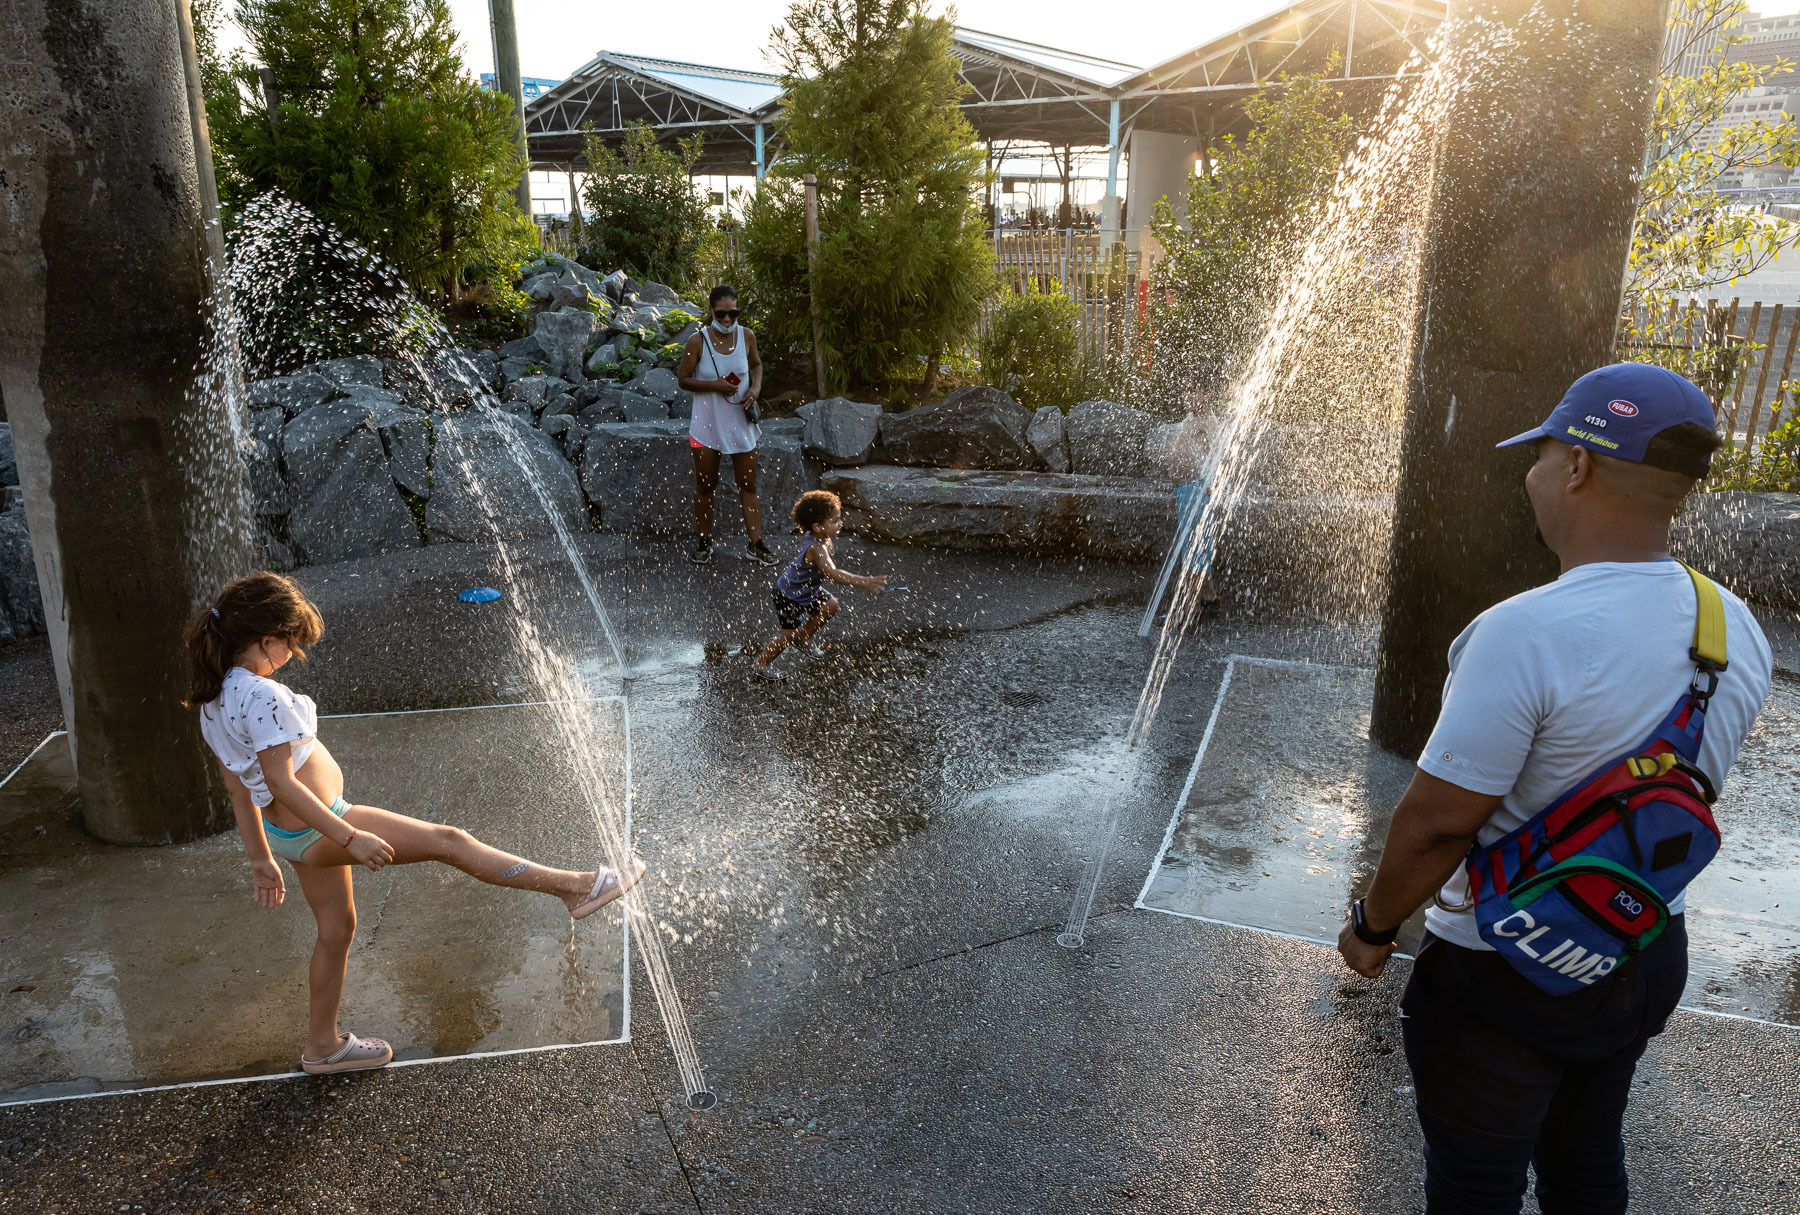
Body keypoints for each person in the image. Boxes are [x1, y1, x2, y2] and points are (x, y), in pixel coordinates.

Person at [1337, 363, 1772, 1215]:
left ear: (1576, 465)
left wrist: (1373, 926)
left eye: (1539, 455)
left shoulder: (1523, 632)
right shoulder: (1733, 625)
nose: (1530, 475)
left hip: (1505, 969)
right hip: (1642, 947)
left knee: (1476, 1185)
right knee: (1585, 1159)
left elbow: (1434, 825)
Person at [185, 572, 646, 1076]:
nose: (293, 656)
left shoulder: (217, 697)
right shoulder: (261, 696)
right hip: (322, 827)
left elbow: (238, 788)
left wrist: (261, 859)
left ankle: (322, 1046)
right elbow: (282, 781)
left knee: (336, 930)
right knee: (449, 841)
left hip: (288, 835)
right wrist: (349, 836)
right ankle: (574, 888)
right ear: (266, 639)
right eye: (289, 644)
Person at [678, 284, 772, 567]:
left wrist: (755, 388)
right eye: (721, 314)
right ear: (711, 311)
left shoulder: (747, 336)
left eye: (733, 313)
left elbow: (756, 365)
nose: (728, 320)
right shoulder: (697, 341)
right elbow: (683, 379)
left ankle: (756, 544)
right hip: (706, 425)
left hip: (740, 422)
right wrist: (714, 386)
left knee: (749, 484)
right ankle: (705, 540)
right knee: (706, 485)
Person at [752, 490, 888, 681]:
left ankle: (804, 638)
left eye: (838, 518)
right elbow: (832, 573)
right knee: (788, 635)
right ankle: (761, 664)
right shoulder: (816, 547)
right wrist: (863, 581)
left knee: (830, 605)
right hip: (789, 594)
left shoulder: (823, 538)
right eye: (834, 521)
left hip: (808, 589)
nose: (840, 523)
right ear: (817, 527)